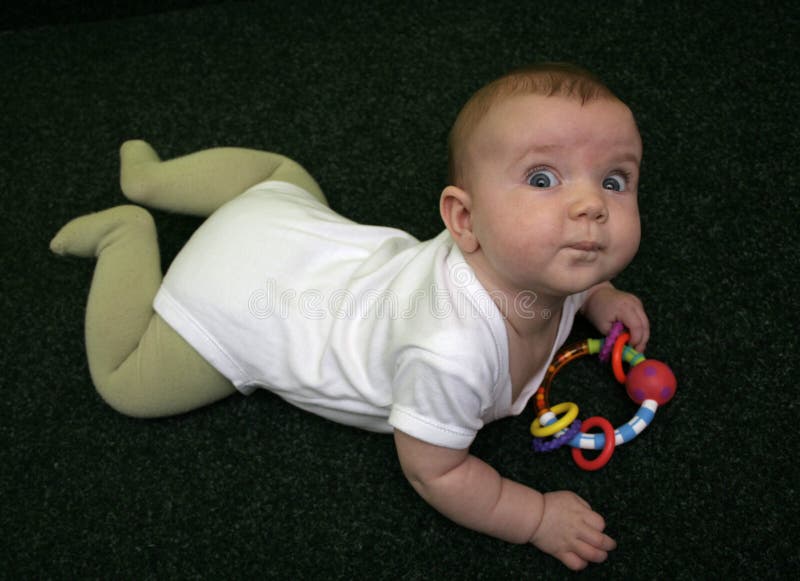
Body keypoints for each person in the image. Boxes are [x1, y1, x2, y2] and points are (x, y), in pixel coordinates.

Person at [50, 62, 649, 571]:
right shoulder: (450, 352)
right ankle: (125, 237)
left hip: (282, 226)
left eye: (615, 180)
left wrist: (598, 296)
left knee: (279, 178)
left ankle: (156, 179)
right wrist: (535, 516)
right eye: (543, 178)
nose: (590, 206)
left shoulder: (542, 261)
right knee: (127, 381)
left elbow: (566, 274)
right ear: (463, 220)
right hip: (236, 303)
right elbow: (437, 473)